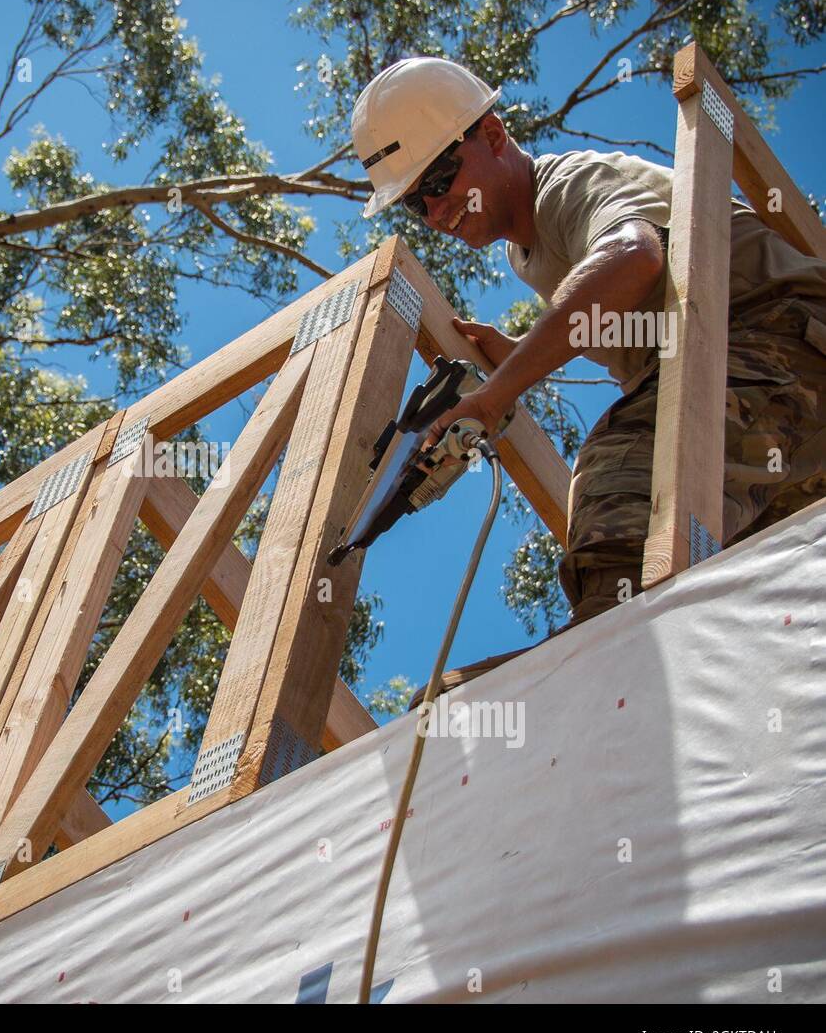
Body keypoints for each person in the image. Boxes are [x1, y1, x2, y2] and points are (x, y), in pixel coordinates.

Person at [352, 57, 826, 690]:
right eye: (416, 203)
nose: (436, 209)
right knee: (740, 582)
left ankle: (607, 645)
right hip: (778, 409)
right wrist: (519, 345)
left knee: (620, 455)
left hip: (782, 335)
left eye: (440, 178)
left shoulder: (567, 185)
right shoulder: (531, 254)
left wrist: (497, 394)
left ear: (493, 137)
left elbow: (634, 257)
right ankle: (648, 645)